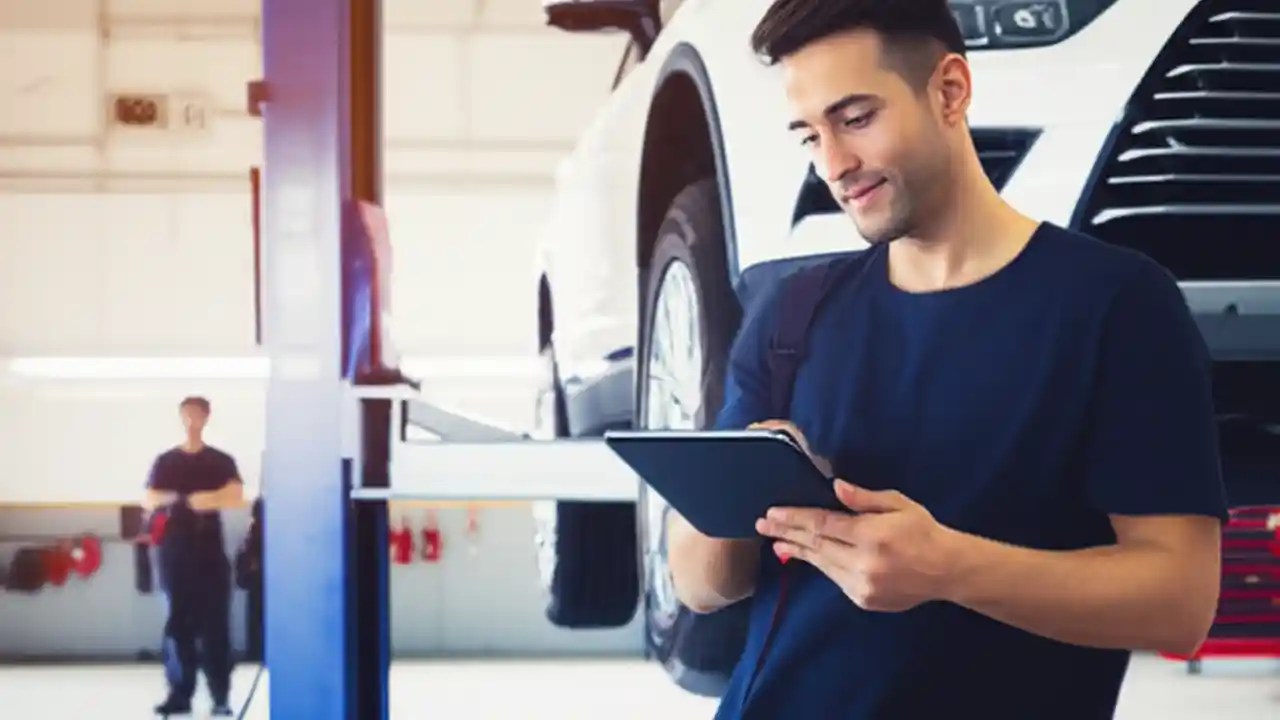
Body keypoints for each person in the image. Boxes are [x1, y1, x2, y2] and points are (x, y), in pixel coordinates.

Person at [667, 1, 1229, 718]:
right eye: (810, 135)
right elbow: (700, 582)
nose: (834, 165)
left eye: (856, 118)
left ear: (950, 90)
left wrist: (948, 568)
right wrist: (750, 484)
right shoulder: (791, 312)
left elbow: (1179, 601)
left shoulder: (1116, 306)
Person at [144, 395, 245, 717]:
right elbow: (150, 497)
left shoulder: (219, 460)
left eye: (196, 415)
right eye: (186, 415)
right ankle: (179, 694)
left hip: (209, 551)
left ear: (206, 418)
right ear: (180, 417)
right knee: (177, 625)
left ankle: (220, 696)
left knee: (216, 626)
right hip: (175, 552)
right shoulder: (166, 461)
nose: (191, 421)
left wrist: (208, 499)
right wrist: (184, 498)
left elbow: (234, 495)